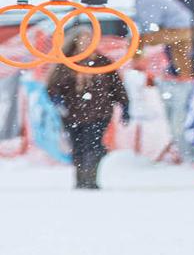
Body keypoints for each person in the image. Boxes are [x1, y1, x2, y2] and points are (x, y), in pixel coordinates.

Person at [45, 29, 131, 190]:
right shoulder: (65, 63)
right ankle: (80, 179)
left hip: (100, 112)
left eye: (89, 39)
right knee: (79, 147)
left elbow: (117, 87)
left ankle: (90, 179)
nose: (86, 43)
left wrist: (125, 105)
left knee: (94, 145)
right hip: (73, 113)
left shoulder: (103, 62)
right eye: (82, 39)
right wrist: (58, 101)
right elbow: (53, 87)